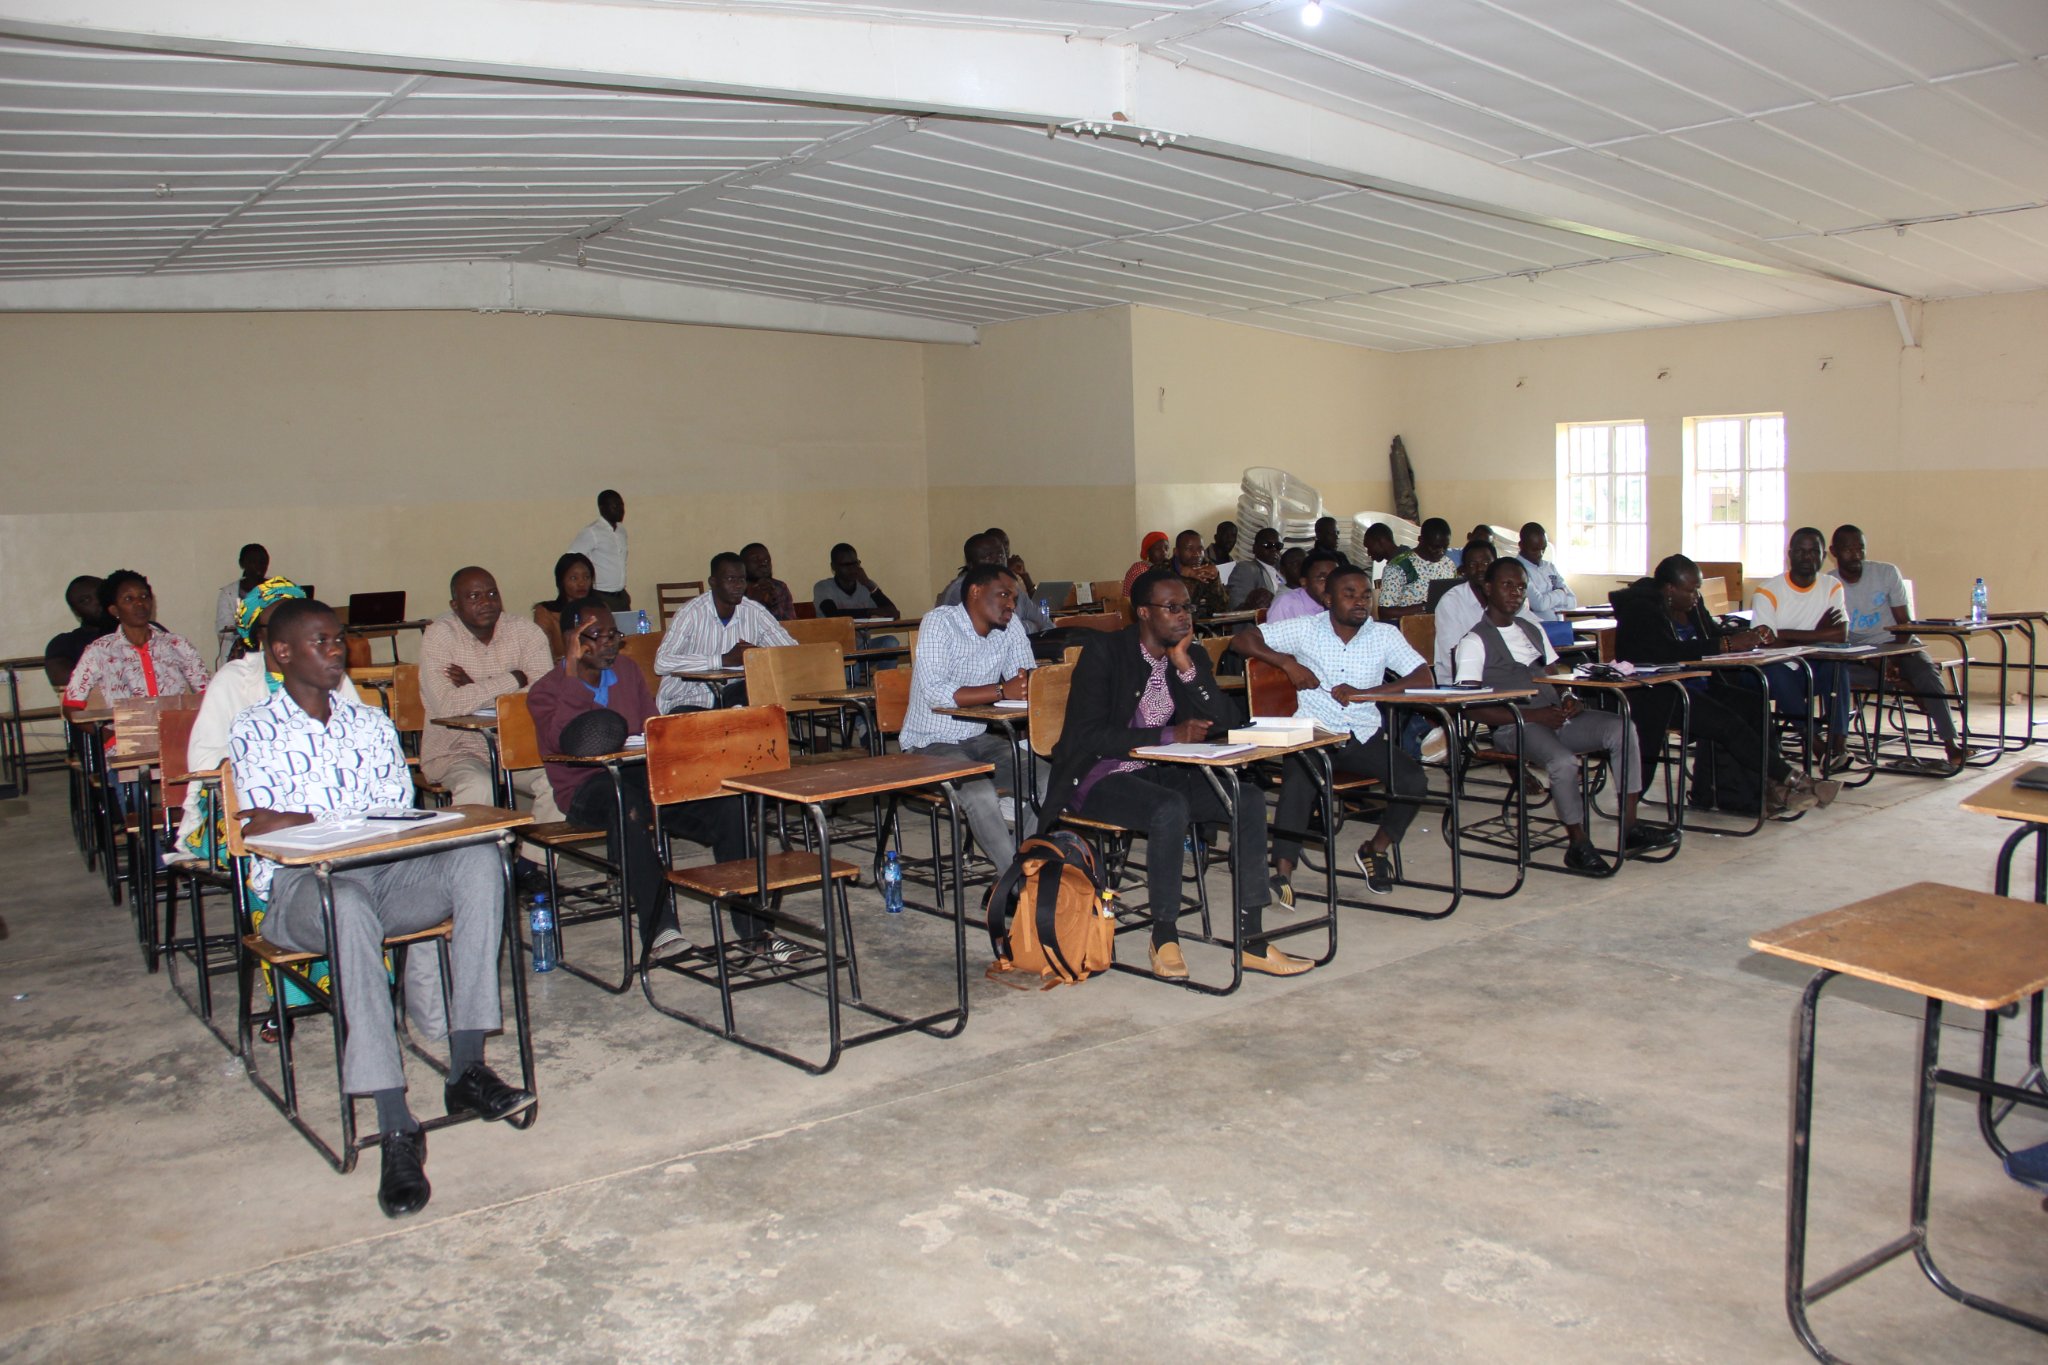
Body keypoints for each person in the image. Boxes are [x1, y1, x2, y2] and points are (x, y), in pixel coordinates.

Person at [227, 597, 533, 1220]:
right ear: (281, 653)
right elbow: (262, 831)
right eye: (321, 641)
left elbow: (396, 811)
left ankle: (466, 1067)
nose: (336, 649)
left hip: (383, 875)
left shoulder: (369, 722)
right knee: (347, 905)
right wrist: (327, 823)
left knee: (480, 856)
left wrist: (312, 817)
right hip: (303, 892)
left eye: (338, 639)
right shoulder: (254, 727)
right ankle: (397, 1122)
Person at [1041, 569, 1308, 980]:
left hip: (1157, 769)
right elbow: (1089, 735)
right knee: (1170, 808)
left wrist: (1184, 664)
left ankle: (1251, 940)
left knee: (1247, 798)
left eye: (1187, 607)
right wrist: (1168, 734)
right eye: (1172, 608)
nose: (1183, 616)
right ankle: (1163, 936)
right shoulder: (1106, 652)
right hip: (1096, 775)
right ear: (1144, 613)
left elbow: (1221, 720)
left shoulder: (1190, 655)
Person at [528, 600, 761, 962]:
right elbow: (561, 742)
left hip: (641, 775)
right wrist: (572, 674)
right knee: (628, 806)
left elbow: (651, 727)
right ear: (572, 640)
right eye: (595, 636)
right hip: (586, 788)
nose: (608, 644)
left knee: (726, 802)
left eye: (613, 635)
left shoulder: (628, 670)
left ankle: (752, 924)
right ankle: (660, 929)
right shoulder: (547, 689)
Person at [1452, 559, 1672, 874]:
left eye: (1521, 587)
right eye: (1507, 585)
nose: (1516, 593)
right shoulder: (1473, 642)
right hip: (1514, 726)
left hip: (1555, 718)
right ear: (1487, 588)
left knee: (1622, 727)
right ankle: (1578, 843)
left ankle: (1631, 826)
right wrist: (1534, 716)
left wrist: (1570, 698)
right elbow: (1469, 707)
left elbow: (1558, 679)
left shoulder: (1531, 629)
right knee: (1563, 761)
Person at [1232, 564, 1432, 901]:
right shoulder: (1307, 629)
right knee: (1298, 783)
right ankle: (1282, 874)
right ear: (1328, 599)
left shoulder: (1384, 635)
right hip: (1314, 732)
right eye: (1349, 594)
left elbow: (1422, 677)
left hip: (1362, 734)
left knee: (1414, 780)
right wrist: (1288, 664)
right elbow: (1242, 639)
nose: (1360, 602)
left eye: (1366, 595)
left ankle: (1375, 849)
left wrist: (1367, 694)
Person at [1611, 555, 1835, 816]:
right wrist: (1725, 645)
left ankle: (1768, 788)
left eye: (1698, 588)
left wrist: (1746, 637)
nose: (1696, 595)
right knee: (1728, 723)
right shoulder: (1640, 609)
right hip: (1658, 695)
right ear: (1670, 589)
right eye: (1691, 590)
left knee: (1754, 704)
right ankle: (1793, 779)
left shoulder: (1691, 605)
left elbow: (1713, 635)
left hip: (1696, 686)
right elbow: (1662, 651)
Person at [899, 563, 1040, 870]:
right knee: (980, 794)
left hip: (979, 738)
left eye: (1014, 598)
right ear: (976, 592)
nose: (1011, 605)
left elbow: (1027, 678)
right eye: (1003, 595)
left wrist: (1028, 684)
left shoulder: (1010, 624)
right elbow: (937, 692)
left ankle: (1020, 863)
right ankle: (1015, 882)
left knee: (1051, 780)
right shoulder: (939, 623)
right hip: (930, 743)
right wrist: (1003, 690)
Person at [418, 567, 562, 829]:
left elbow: (545, 696)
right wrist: (514, 678)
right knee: (478, 787)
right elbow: (448, 706)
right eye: (474, 597)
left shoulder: (525, 632)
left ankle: (533, 864)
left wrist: (475, 688)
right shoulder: (440, 635)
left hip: (518, 747)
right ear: (455, 605)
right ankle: (474, 867)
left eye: (492, 594)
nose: (486, 602)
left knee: (560, 781)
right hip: (457, 751)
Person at [1830, 524, 1964, 768]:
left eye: (1860, 548)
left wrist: (1890, 655)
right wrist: (1874, 659)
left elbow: (1905, 624)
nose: (1856, 554)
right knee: (1838, 674)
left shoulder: (1887, 573)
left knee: (1926, 673)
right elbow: (1836, 637)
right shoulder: (1828, 584)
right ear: (1834, 552)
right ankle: (1902, 683)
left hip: (1898, 644)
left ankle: (1951, 744)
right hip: (1858, 653)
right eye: (1848, 549)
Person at [1747, 527, 1854, 768]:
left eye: (1814, 552)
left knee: (1837, 666)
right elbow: (1766, 642)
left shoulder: (1832, 586)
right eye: (1801, 552)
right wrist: (1817, 634)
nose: (1807, 558)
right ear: (1790, 554)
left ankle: (1839, 745)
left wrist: (1785, 635)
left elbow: (1840, 634)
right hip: (1777, 668)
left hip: (1813, 666)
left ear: (1823, 555)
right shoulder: (1768, 591)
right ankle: (1814, 741)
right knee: (1777, 671)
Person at [654, 552, 795, 713]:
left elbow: (790, 652)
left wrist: (758, 655)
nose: (738, 586)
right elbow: (662, 663)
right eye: (730, 579)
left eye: (742, 580)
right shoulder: (691, 613)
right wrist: (722, 660)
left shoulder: (754, 612)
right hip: (689, 698)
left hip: (734, 696)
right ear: (713, 582)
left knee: (757, 700)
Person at [62, 570, 210, 710]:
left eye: (144, 596)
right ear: (114, 610)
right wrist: (105, 733)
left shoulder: (177, 644)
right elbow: (71, 705)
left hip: (174, 731)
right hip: (125, 734)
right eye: (129, 599)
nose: (139, 603)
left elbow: (208, 694)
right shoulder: (99, 651)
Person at [939, 535, 1054, 635]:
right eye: (988, 557)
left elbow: (1046, 623)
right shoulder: (961, 591)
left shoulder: (1012, 588)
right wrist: (1031, 626)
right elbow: (996, 634)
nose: (997, 561)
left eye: (1000, 555)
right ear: (971, 565)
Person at [1377, 518, 1458, 619]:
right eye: (1435, 547)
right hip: (1412, 630)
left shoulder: (1448, 564)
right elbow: (1385, 612)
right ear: (1420, 540)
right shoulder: (1399, 566)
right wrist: (1426, 607)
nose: (1441, 552)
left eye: (1445, 547)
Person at [42, 575, 113, 688]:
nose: (98, 602)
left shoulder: (144, 630)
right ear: (76, 611)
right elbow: (61, 677)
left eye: (101, 593)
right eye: (86, 600)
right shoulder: (64, 643)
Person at [567, 489, 629, 611]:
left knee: (628, 629)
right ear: (602, 508)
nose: (620, 509)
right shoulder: (592, 532)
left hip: (621, 596)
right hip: (601, 596)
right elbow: (571, 558)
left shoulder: (621, 531)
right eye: (615, 506)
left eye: (621, 505)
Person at [212, 543, 270, 666]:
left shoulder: (278, 589)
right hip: (239, 654)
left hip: (270, 649)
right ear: (242, 564)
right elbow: (223, 628)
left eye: (263, 561)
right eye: (253, 561)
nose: (260, 566)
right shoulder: (228, 593)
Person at [533, 552, 596, 660]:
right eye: (574, 578)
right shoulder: (545, 612)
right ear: (561, 581)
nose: (581, 583)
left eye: (586, 577)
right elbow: (543, 655)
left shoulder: (599, 610)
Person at [813, 543, 900, 619]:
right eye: (846, 565)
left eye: (855, 563)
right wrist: (869, 612)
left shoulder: (866, 587)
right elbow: (833, 614)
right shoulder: (823, 587)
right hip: (833, 638)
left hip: (862, 639)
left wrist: (869, 584)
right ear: (833, 566)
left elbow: (894, 613)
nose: (852, 568)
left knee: (890, 639)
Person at [1514, 523, 1578, 621]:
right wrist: (1560, 593)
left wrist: (1548, 601)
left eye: (1543, 548)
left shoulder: (1550, 567)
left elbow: (1573, 601)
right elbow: (1539, 605)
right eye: (1535, 549)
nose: (1540, 554)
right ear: (1521, 545)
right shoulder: (1517, 570)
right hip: (1537, 630)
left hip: (1560, 628)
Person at [1266, 549, 1344, 624]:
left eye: (1334, 577)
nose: (1330, 583)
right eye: (1322, 578)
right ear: (1304, 582)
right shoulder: (1287, 605)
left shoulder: (1343, 602)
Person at [1172, 529, 1229, 620]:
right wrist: (1182, 575)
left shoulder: (1206, 568)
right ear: (1176, 552)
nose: (1197, 554)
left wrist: (1215, 579)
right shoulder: (1161, 570)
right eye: (1189, 549)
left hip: (1198, 628)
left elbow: (1221, 609)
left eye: (1200, 549)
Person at [1228, 527, 1286, 611]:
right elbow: (1236, 608)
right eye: (1267, 545)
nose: (1274, 549)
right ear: (1254, 548)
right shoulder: (1246, 569)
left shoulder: (1284, 570)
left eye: (1278, 546)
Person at [740, 542, 796, 621]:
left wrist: (772, 604)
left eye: (767, 560)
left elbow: (791, 625)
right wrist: (752, 601)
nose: (763, 564)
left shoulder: (779, 587)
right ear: (742, 565)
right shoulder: (735, 590)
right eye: (755, 560)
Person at [1121, 532, 1171, 597]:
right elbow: (1146, 597)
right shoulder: (1139, 569)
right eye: (1158, 549)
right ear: (1147, 552)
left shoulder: (1165, 568)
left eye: (1166, 548)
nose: (1164, 552)